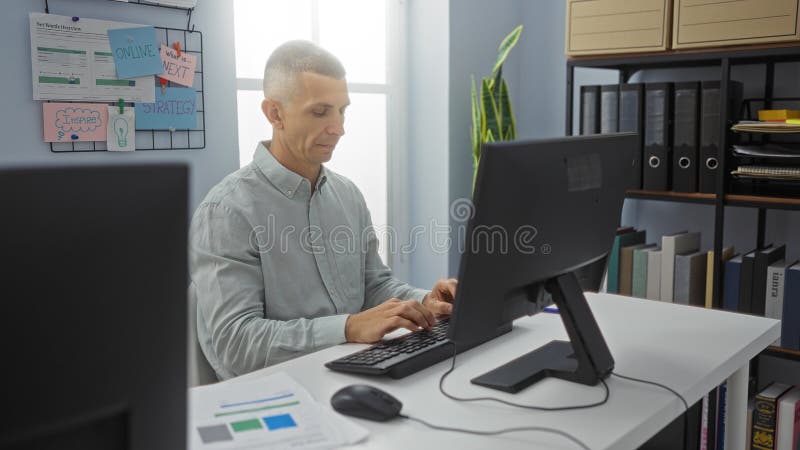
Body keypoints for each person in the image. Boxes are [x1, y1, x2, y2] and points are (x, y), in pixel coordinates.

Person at [189, 40, 457, 380]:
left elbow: (374, 286)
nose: (338, 128)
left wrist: (427, 303)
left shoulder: (347, 195)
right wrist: (348, 328)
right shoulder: (226, 212)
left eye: (342, 110)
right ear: (274, 113)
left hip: (351, 374)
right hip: (277, 394)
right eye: (320, 112)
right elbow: (237, 346)